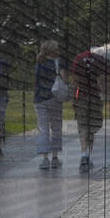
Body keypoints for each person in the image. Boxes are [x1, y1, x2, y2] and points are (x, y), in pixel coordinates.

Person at [71, 44, 110, 172]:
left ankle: (84, 154)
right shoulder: (101, 61)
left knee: (83, 126)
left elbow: (75, 79)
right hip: (95, 97)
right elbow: (103, 80)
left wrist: (73, 95)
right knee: (92, 126)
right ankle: (87, 154)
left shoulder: (79, 58)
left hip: (81, 96)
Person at [33, 40, 68, 170]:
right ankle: (55, 158)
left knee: (43, 129)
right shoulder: (59, 62)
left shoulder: (39, 62)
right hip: (54, 98)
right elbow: (64, 80)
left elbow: (35, 81)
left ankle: (44, 159)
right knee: (56, 129)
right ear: (53, 50)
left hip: (40, 99)